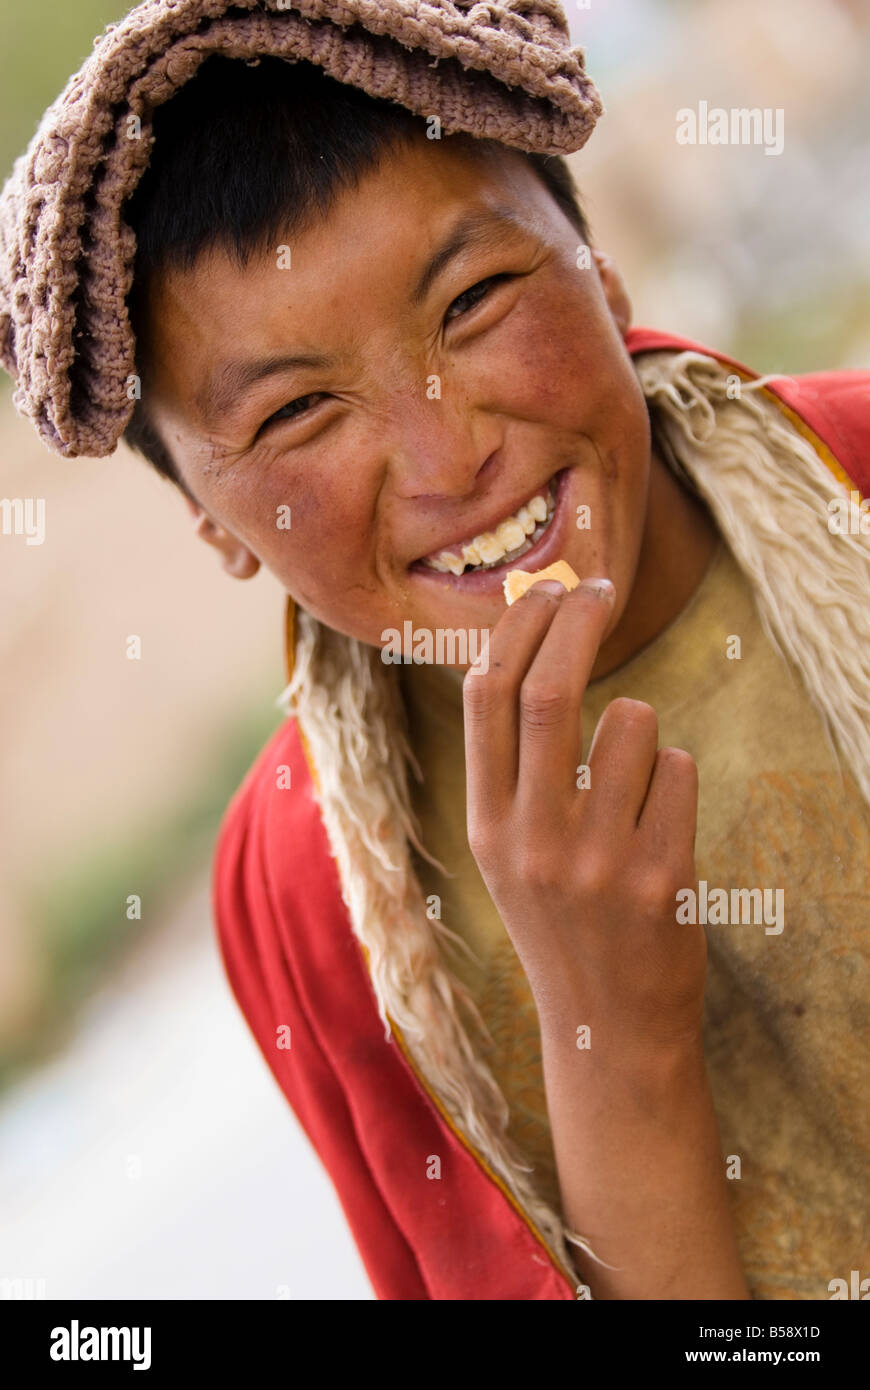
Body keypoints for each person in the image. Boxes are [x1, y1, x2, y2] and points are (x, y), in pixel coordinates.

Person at [2, 2, 868, 1302]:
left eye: (472, 301)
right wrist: (611, 1046)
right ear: (211, 523)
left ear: (598, 259)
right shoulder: (307, 887)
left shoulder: (851, 483)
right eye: (298, 411)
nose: (445, 453)